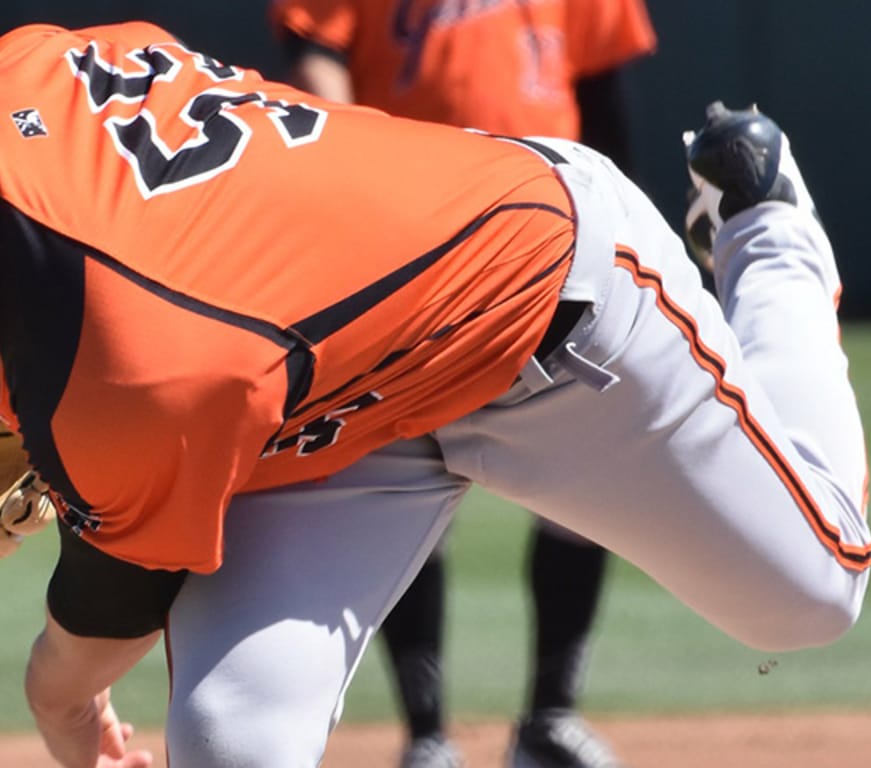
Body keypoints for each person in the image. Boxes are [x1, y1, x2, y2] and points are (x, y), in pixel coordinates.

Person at [0, 23, 871, 768]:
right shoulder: (16, 72)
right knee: (229, 744)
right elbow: (106, 249)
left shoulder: (127, 376)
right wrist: (25, 389)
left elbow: (98, 624)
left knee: (810, 597)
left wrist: (57, 710)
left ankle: (766, 223)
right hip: (329, 408)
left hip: (542, 307)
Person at [266, 1, 657, 765]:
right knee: (407, 489)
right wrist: (359, 212)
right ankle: (428, 736)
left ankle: (549, 718)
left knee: (582, 496)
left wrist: (633, 238)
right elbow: (315, 64)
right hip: (415, 250)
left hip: (557, 248)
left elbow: (603, 95)